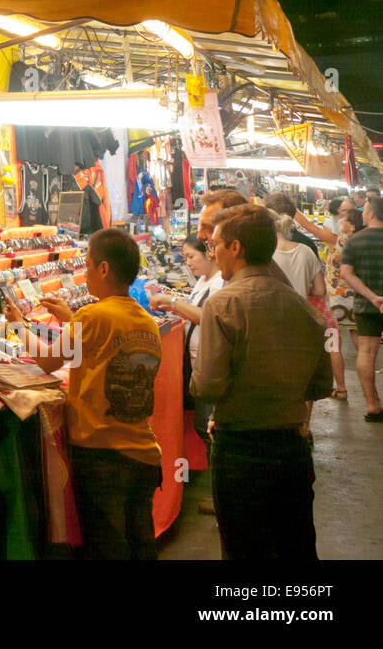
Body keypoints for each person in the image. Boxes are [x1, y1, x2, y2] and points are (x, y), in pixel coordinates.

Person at [5, 228, 162, 560]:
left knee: (108, 549)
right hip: (145, 454)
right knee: (141, 546)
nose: (86, 272)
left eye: (88, 264)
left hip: (103, 455)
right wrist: (72, 318)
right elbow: (103, 349)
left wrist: (18, 326)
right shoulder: (146, 322)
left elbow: (48, 361)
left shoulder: (92, 316)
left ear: (104, 269)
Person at [191, 204, 332, 559]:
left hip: (240, 450)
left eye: (216, 245)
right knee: (295, 548)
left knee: (244, 550)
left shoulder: (222, 305)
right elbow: (321, 386)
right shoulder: (304, 308)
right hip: (292, 448)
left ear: (236, 248)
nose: (213, 253)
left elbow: (208, 386)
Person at [148, 234, 223, 513]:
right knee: (204, 425)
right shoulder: (203, 282)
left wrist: (171, 302)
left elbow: (207, 318)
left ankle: (221, 497)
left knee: (210, 427)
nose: (187, 263)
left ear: (210, 254)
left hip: (208, 361)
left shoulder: (220, 284)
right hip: (196, 361)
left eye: (192, 257)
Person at [273, 214, 348, 401]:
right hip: (311, 316)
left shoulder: (266, 255)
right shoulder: (306, 250)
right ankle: (337, 390)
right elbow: (320, 290)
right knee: (329, 349)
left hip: (278, 318)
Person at [339, 196, 383, 422]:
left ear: (372, 213)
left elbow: (346, 273)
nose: (362, 213)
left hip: (366, 306)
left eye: (364, 209)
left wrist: (373, 297)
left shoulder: (355, 241)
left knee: (366, 352)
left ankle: (372, 404)